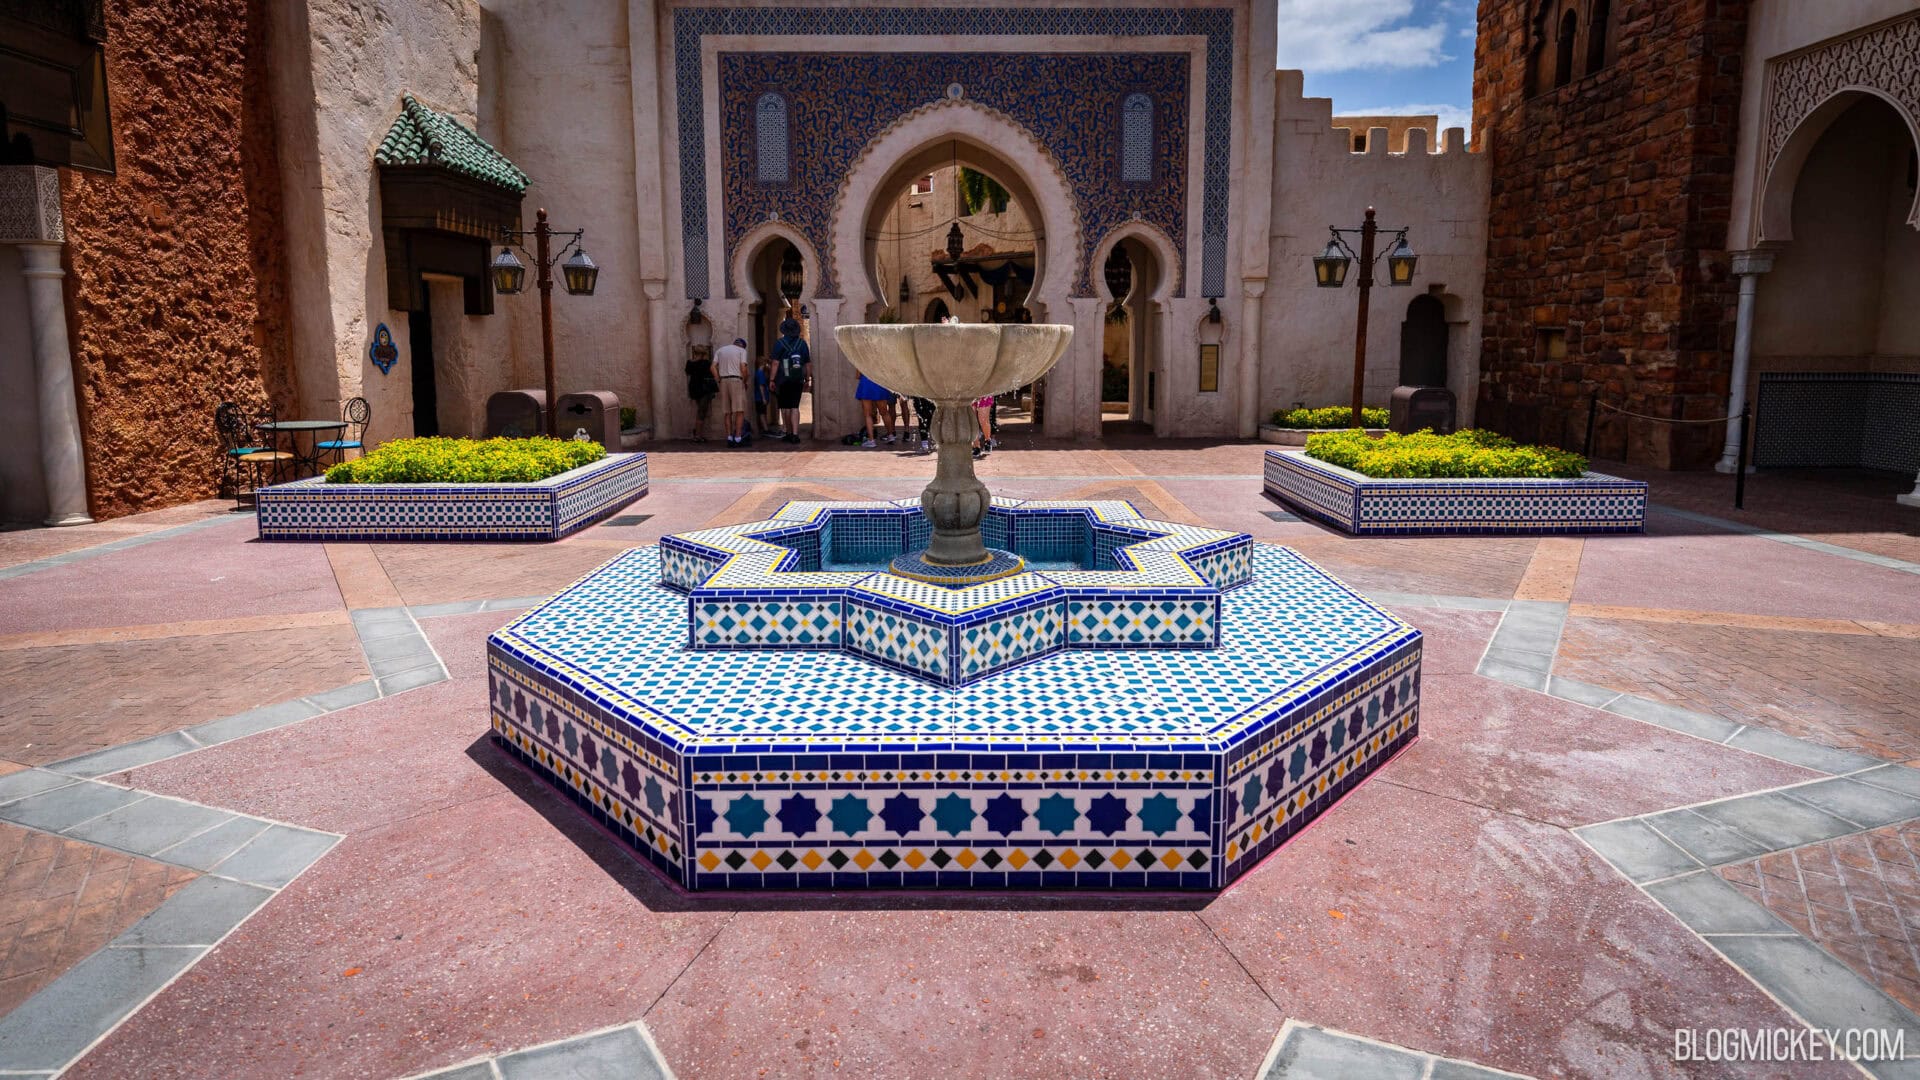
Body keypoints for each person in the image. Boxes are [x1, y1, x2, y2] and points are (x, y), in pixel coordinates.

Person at [770, 318, 810, 444]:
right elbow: (808, 364)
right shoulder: (802, 344)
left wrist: (771, 379)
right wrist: (807, 379)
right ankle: (795, 434)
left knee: (785, 407)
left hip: (783, 379)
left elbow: (775, 363)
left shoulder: (780, 343)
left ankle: (788, 432)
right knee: (795, 406)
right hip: (797, 379)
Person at [714, 336, 750, 448]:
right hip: (736, 380)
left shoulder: (720, 350)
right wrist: (744, 380)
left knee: (727, 412)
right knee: (739, 411)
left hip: (723, 381)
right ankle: (738, 438)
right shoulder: (741, 351)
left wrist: (718, 379)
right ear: (743, 345)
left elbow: (712, 367)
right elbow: (743, 367)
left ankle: (729, 437)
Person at [684, 345, 717, 442]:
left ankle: (698, 434)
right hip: (704, 389)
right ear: (703, 354)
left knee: (700, 410)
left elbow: (688, 373)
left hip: (694, 388)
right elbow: (711, 373)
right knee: (701, 412)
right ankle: (698, 435)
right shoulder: (706, 363)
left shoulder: (689, 363)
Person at [855, 371, 896, 447]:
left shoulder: (861, 359)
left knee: (868, 415)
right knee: (884, 413)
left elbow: (857, 376)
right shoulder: (879, 359)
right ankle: (891, 435)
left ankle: (871, 440)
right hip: (879, 383)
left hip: (866, 384)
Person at [971, 394, 994, 459]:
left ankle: (987, 440)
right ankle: (976, 446)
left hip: (984, 390)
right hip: (970, 390)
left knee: (983, 419)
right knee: (972, 420)